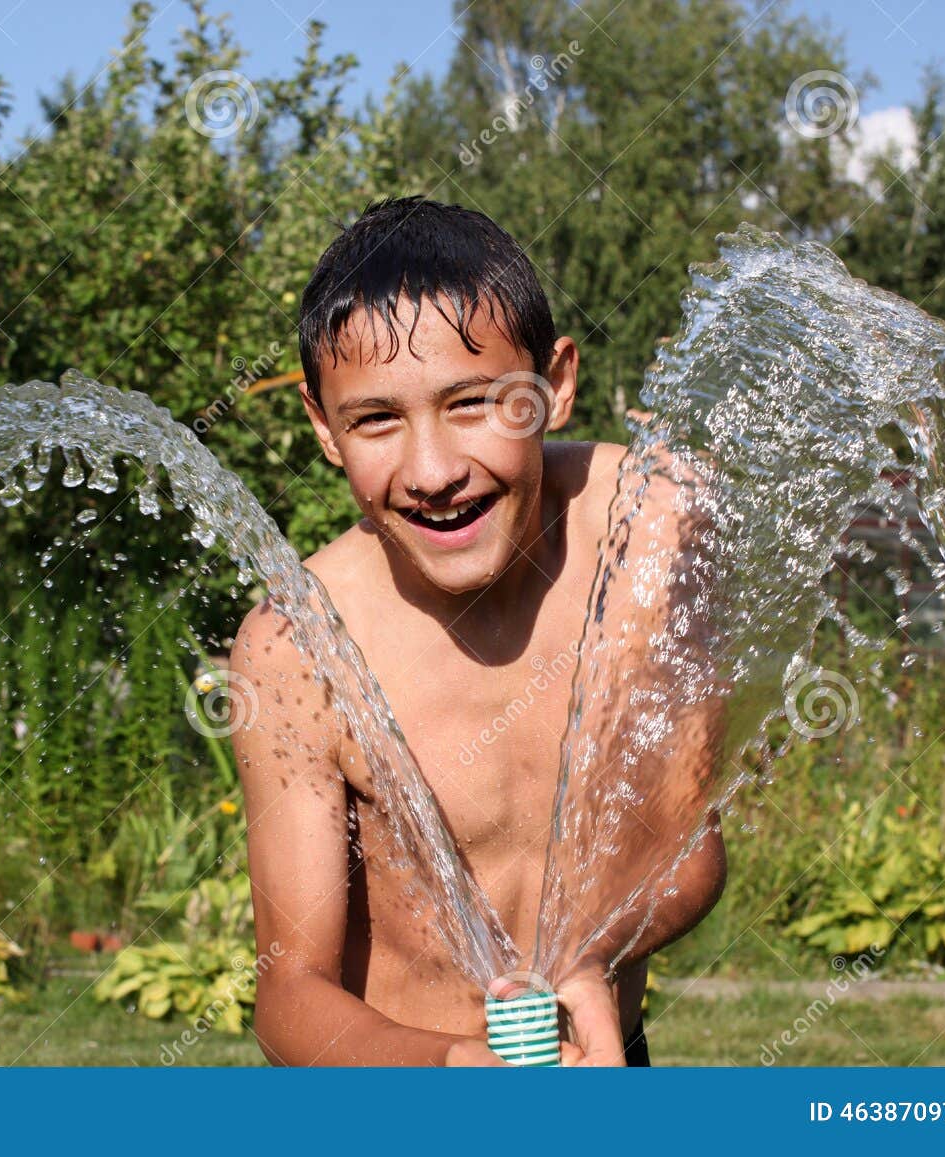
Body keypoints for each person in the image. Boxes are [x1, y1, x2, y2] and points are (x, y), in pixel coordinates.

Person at [229, 196, 726, 1066]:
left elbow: (688, 844)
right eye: (376, 419)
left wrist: (591, 958)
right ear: (324, 428)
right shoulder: (299, 645)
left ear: (554, 384)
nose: (433, 472)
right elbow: (290, 994)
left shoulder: (648, 529)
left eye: (472, 404)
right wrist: (455, 1068)